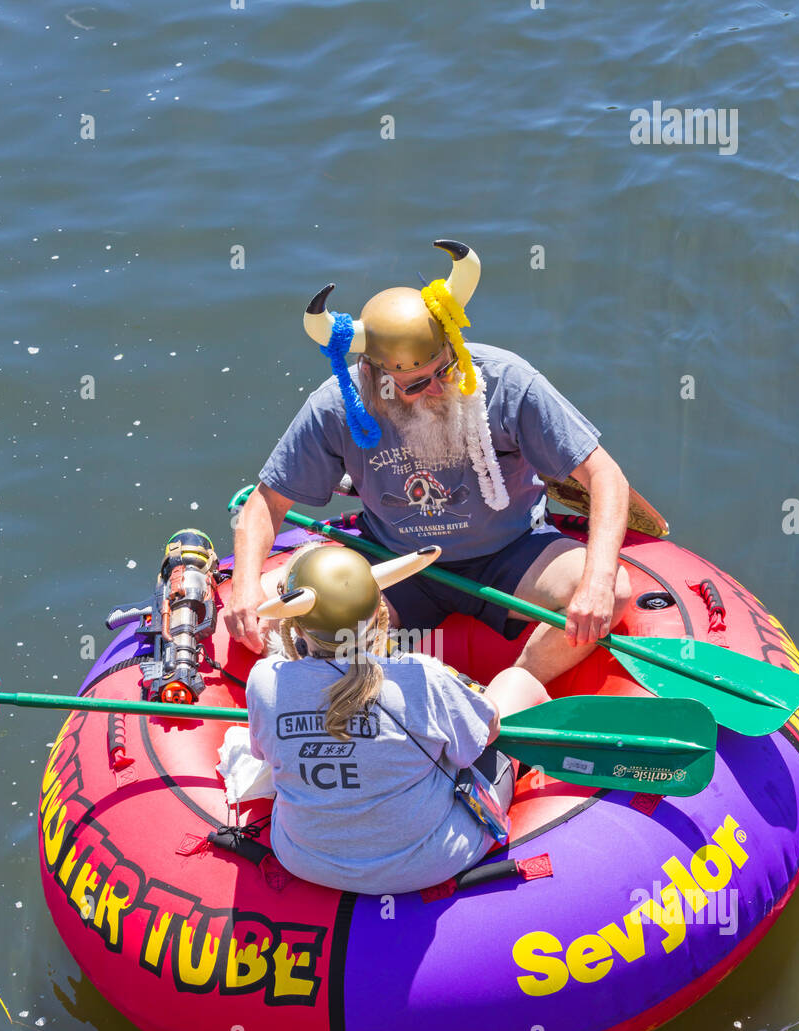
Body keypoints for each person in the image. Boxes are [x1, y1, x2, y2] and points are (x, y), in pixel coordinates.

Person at [226, 238, 632, 683]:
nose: (438, 388)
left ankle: (505, 696)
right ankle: (375, 694)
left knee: (614, 592)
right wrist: (244, 587)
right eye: (416, 383)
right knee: (273, 617)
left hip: (513, 551)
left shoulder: (506, 381)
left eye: (445, 368)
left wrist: (596, 580)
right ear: (372, 374)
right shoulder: (337, 406)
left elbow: (605, 475)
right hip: (395, 559)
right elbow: (266, 503)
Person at [245, 542, 548, 894]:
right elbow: (482, 739)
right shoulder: (422, 675)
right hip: (428, 861)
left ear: (295, 624)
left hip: (305, 858)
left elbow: (264, 754)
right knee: (516, 683)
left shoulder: (265, 680)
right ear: (379, 609)